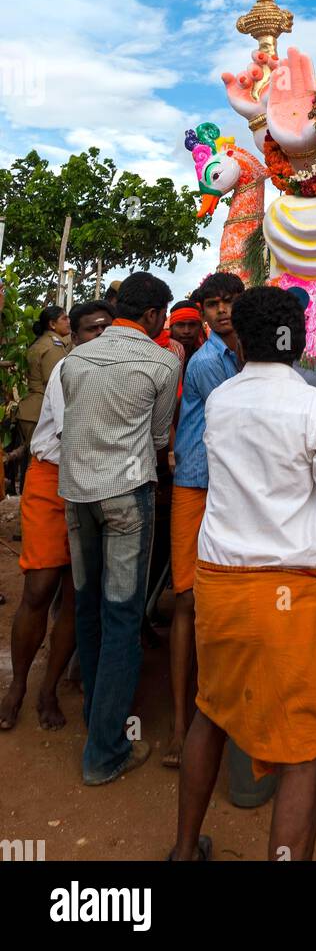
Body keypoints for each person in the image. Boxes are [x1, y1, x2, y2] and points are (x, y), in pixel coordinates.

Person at [169, 286, 316, 862]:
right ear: (300, 337)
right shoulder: (315, 406)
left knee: (212, 709)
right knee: (303, 745)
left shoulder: (223, 399)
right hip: (286, 589)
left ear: (241, 339)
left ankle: (184, 851)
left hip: (220, 579)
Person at [59, 272, 178, 785]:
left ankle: (97, 722)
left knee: (89, 609)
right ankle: (106, 752)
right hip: (127, 496)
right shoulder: (163, 362)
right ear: (152, 316)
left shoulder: (75, 359)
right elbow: (156, 438)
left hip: (76, 497)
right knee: (123, 618)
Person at [0, 302, 113, 732]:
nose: (99, 336)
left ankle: (48, 689)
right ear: (75, 336)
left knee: (74, 593)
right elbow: (78, 433)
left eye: (106, 328)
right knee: (40, 586)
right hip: (53, 480)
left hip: (93, 483)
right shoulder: (69, 371)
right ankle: (18, 687)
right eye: (89, 329)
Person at [165, 271, 245, 768]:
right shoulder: (210, 362)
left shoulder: (244, 352)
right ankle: (180, 724)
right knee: (187, 601)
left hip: (231, 488)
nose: (219, 311)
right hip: (197, 483)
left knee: (228, 601)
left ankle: (223, 711)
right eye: (211, 304)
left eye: (227, 302)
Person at [18, 305, 70, 446]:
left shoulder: (41, 342)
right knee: (40, 461)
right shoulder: (53, 346)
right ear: (52, 324)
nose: (68, 322)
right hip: (40, 413)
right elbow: (55, 382)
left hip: (31, 411)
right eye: (64, 318)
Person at [168, 301, 206, 375]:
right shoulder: (161, 355)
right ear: (171, 328)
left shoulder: (207, 355)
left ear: (200, 328)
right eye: (180, 325)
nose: (186, 331)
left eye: (192, 325)